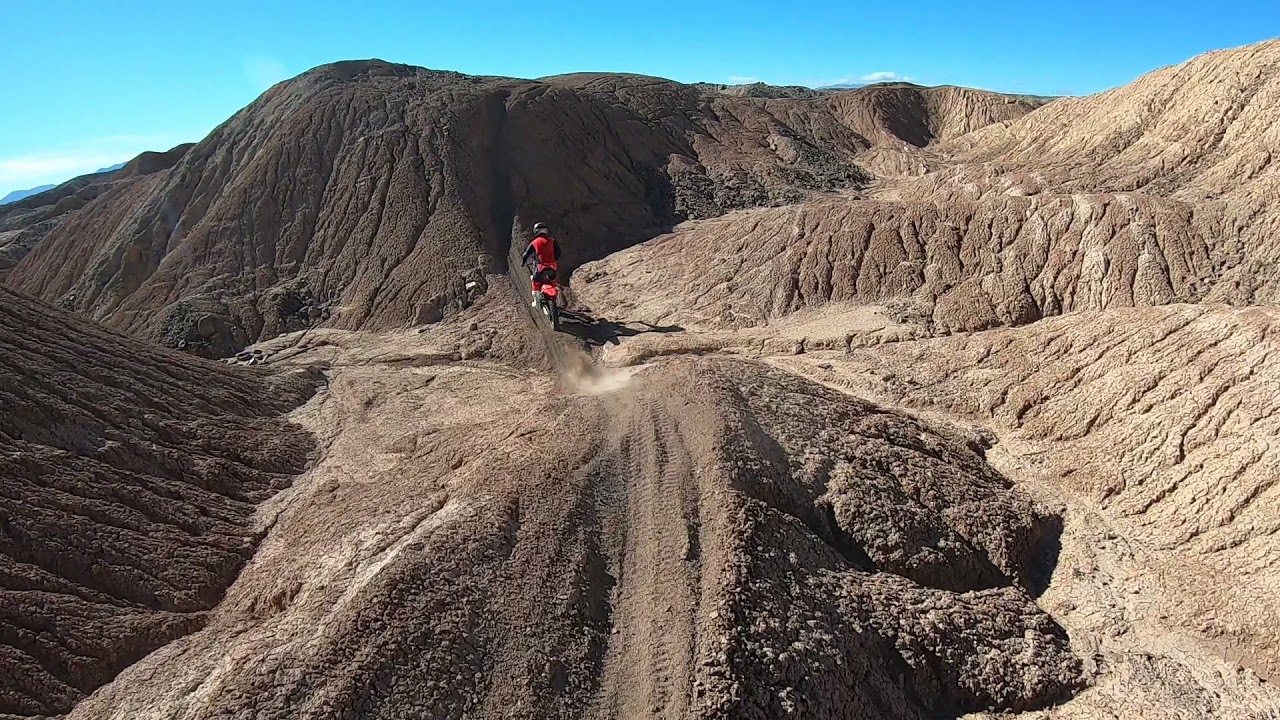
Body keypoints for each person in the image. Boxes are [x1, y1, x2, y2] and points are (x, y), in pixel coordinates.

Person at [521, 222, 562, 307]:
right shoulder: (552, 240)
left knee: (535, 282)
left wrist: (523, 263)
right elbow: (558, 252)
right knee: (553, 282)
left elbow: (526, 254)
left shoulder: (534, 242)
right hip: (552, 267)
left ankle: (536, 301)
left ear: (536, 231)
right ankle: (557, 301)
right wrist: (554, 259)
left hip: (541, 268)